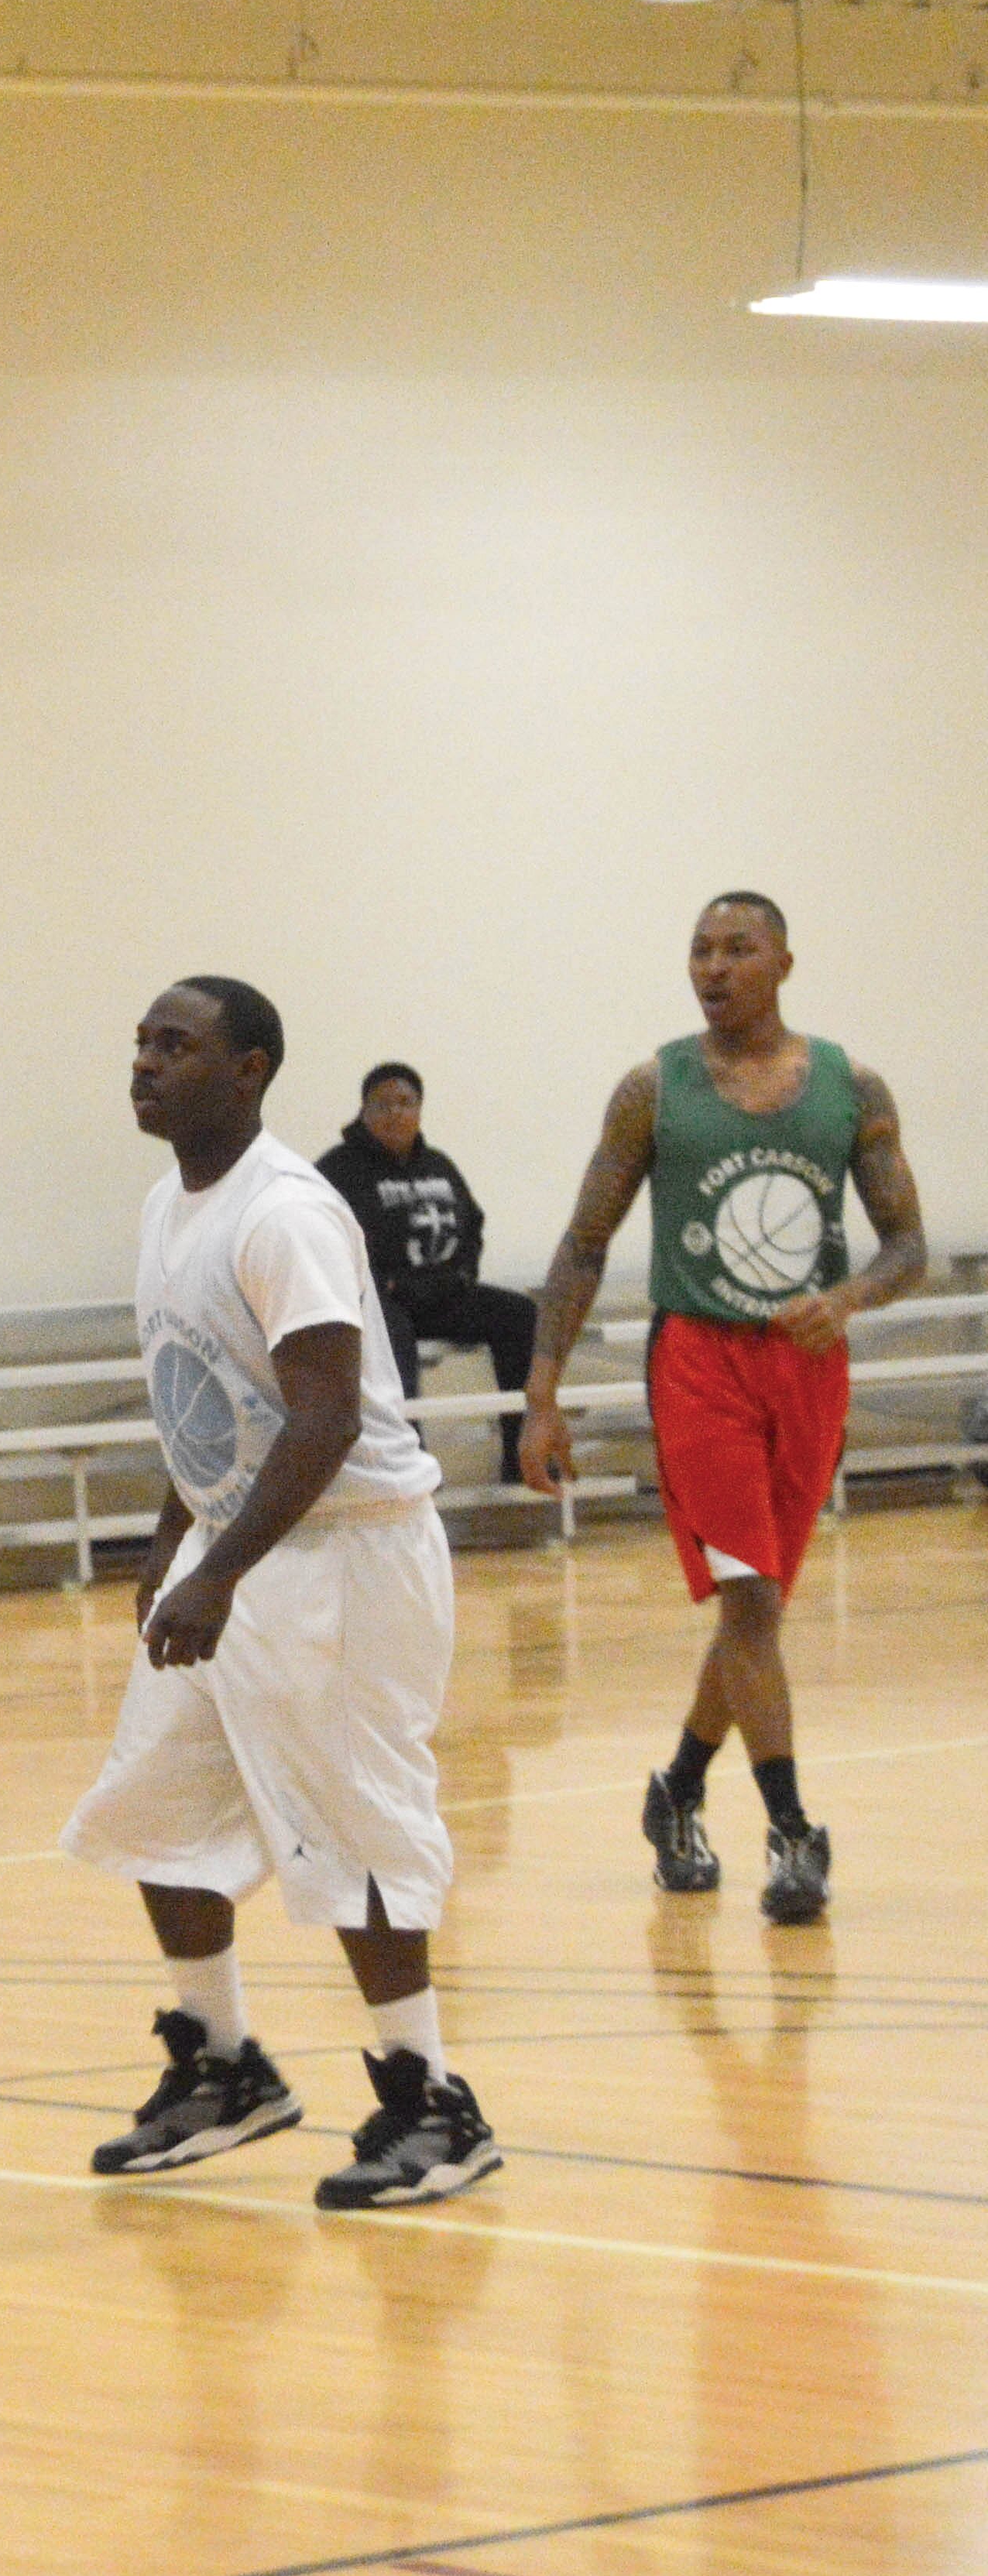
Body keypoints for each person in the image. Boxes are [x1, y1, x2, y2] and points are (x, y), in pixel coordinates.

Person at [64, 978, 499, 2229]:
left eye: (175, 1046)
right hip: (237, 1550)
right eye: (140, 1041)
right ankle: (223, 2065)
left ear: (247, 1071)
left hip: (344, 1556)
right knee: (154, 1806)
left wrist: (219, 1567)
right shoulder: (168, 1203)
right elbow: (204, 1393)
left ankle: (431, 2105)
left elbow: (321, 1413)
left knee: (362, 1828)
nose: (144, 1063)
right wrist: (175, 1536)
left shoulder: (284, 1214)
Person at [518, 893, 928, 1923]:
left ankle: (678, 1791)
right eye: (700, 949)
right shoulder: (654, 1088)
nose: (714, 966)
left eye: (737, 948)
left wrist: (848, 1300)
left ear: (784, 960)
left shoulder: (851, 1088)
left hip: (806, 1366)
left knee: (761, 1612)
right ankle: (793, 1832)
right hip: (698, 1361)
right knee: (747, 1606)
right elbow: (582, 1243)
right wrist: (541, 1396)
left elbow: (911, 1247)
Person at [316, 1063, 537, 1479]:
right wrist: (377, 1286)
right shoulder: (338, 1170)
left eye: (406, 1103)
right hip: (380, 1302)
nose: (395, 1114)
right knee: (391, 1339)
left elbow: (471, 1223)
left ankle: (522, 1455)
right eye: (382, 1105)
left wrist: (464, 1273)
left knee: (520, 1315)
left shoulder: (439, 1165)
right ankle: (408, 1469)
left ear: (420, 1109)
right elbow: (321, 1238)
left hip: (441, 1294)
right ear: (363, 1112)